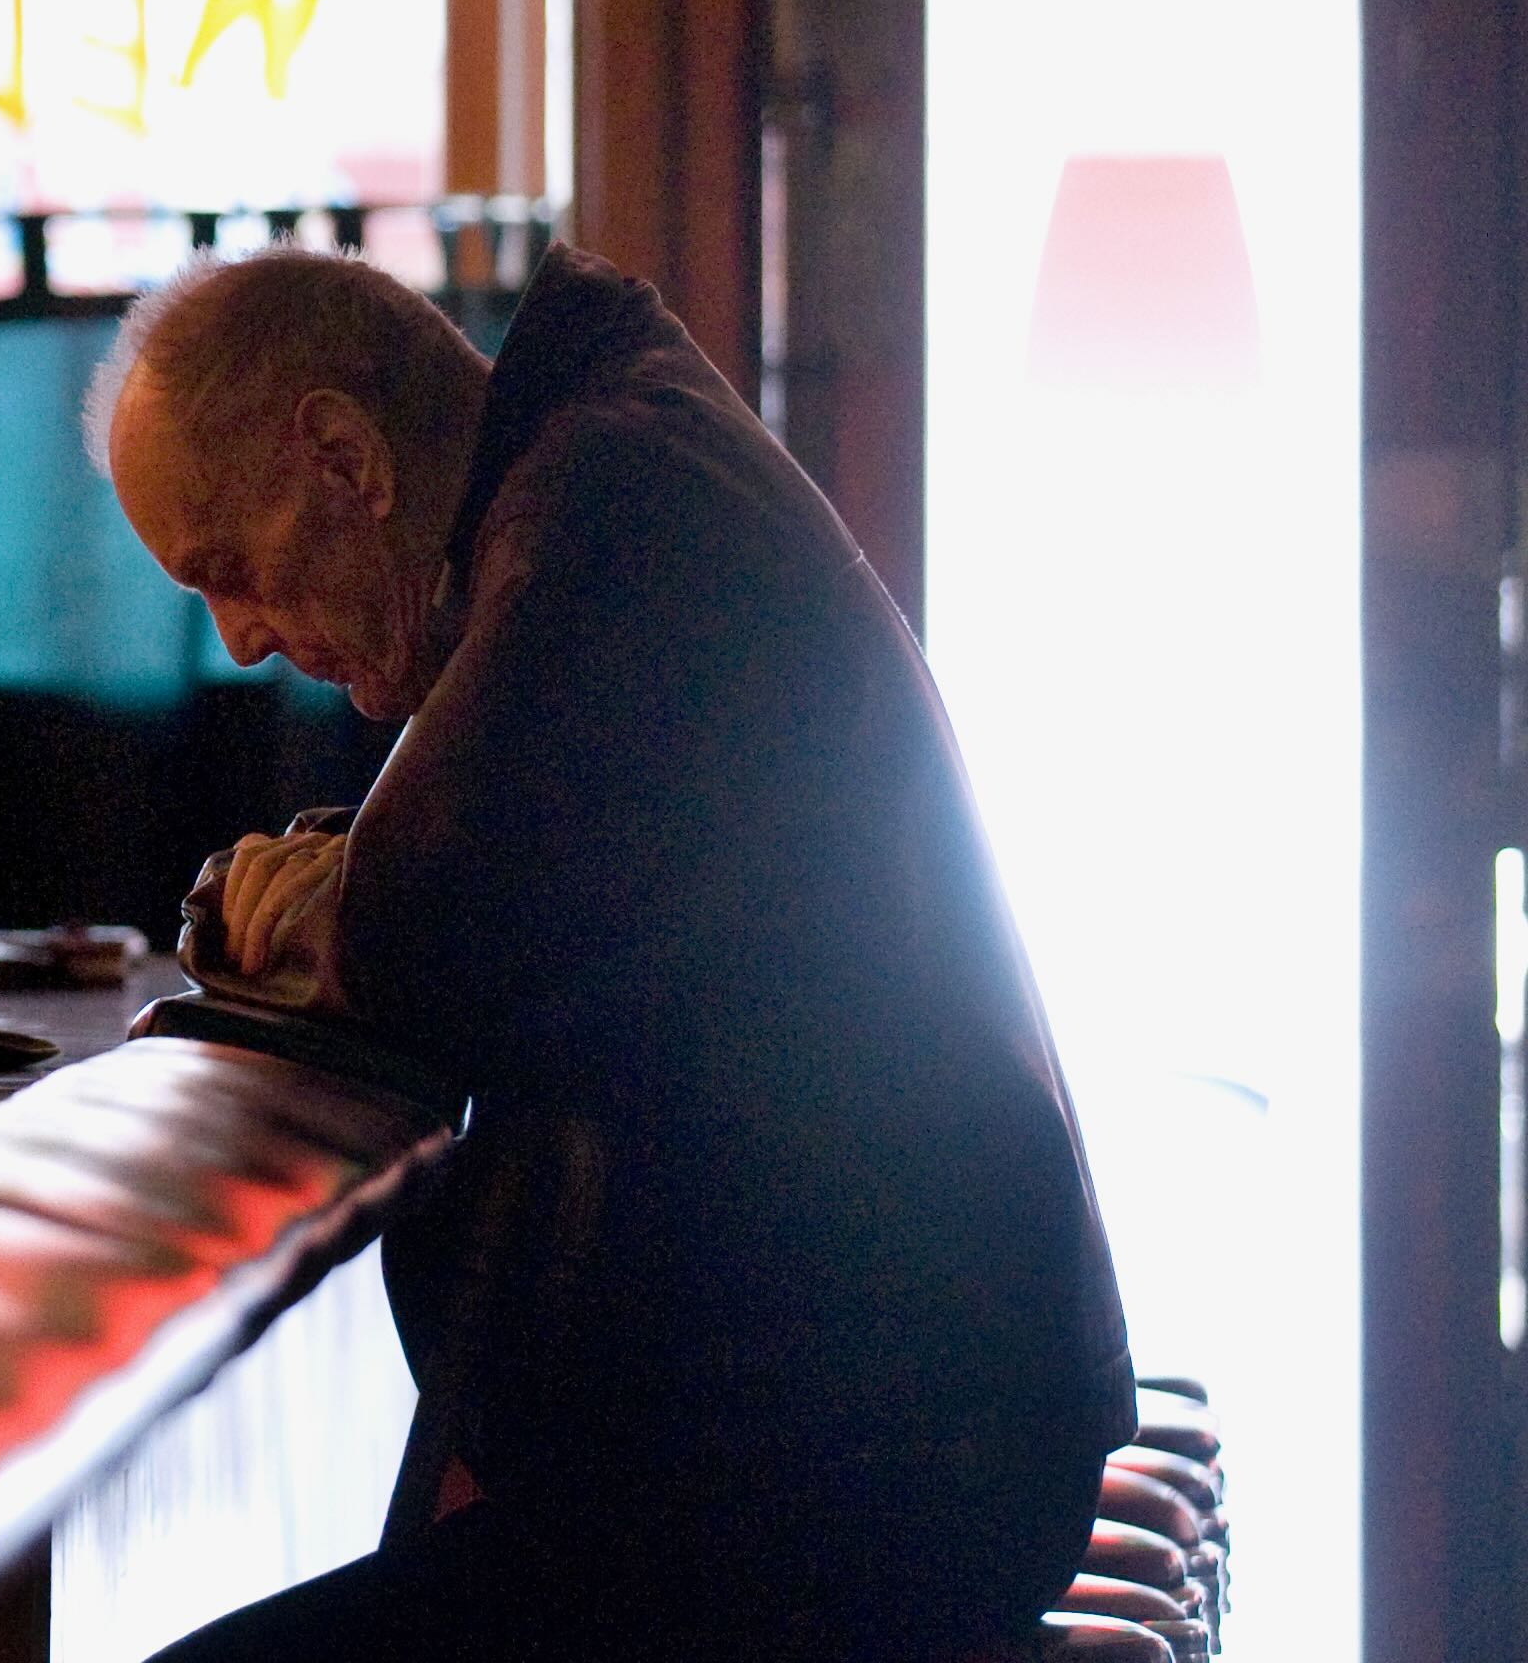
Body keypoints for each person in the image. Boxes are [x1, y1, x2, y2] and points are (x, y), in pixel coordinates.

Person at [95, 244, 1133, 1663]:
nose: (244, 641)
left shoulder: (611, 508)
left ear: (342, 457)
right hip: (864, 1438)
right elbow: (509, 862)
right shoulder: (604, 459)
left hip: (857, 1479)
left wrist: (318, 899)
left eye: (232, 572)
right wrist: (348, 883)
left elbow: (428, 926)